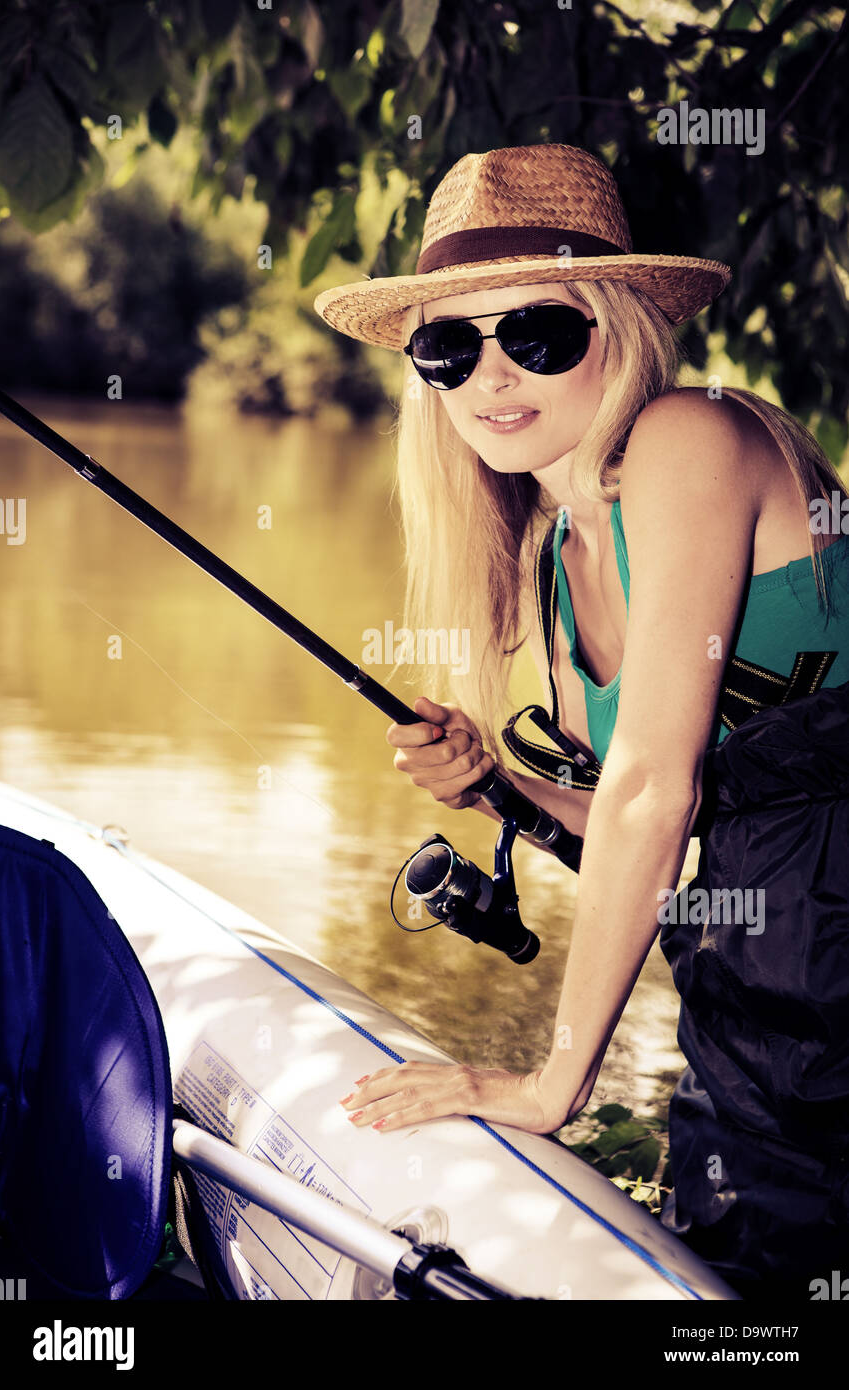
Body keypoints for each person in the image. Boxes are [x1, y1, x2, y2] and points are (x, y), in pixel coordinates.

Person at [313, 143, 849, 1299]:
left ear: (617, 325)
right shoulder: (552, 561)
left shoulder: (686, 439)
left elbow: (654, 791)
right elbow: (646, 819)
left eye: (536, 334)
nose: (491, 375)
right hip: (761, 1007)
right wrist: (497, 789)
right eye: (449, 348)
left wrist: (552, 1083)